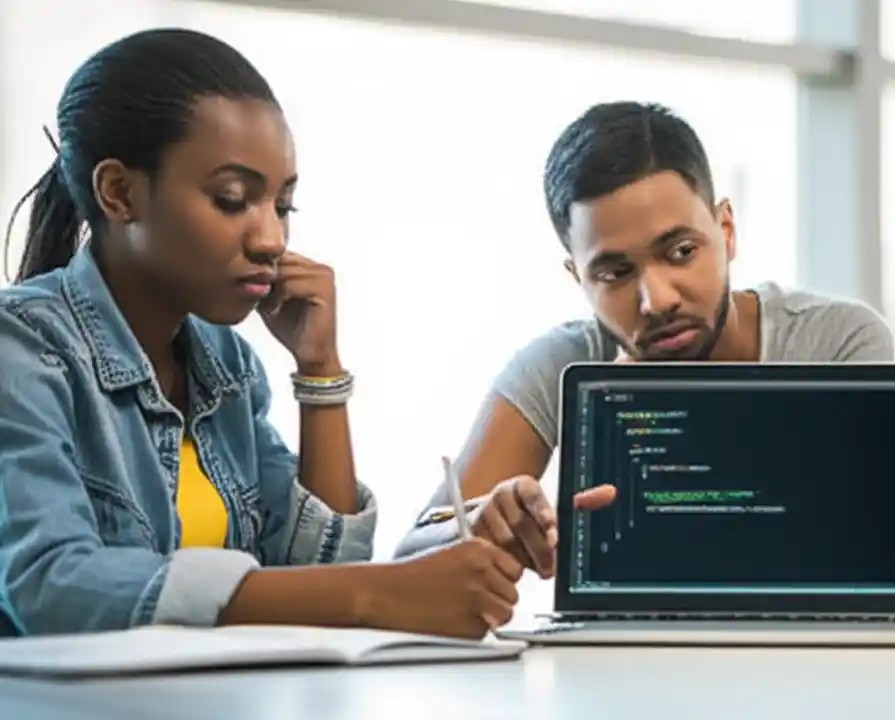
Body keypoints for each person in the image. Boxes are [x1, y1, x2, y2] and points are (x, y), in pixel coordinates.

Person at [0, 28, 520, 638]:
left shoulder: (225, 363)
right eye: (231, 199)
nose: (271, 239)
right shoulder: (24, 347)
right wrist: (372, 594)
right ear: (119, 193)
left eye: (282, 206)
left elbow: (315, 577)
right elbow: (48, 584)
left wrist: (320, 369)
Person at [396, 101, 894, 572]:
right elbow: (410, 558)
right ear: (579, 278)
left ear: (726, 230)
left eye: (679, 252)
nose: (656, 300)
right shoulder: (562, 365)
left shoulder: (838, 341)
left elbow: (870, 544)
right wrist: (483, 520)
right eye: (615, 273)